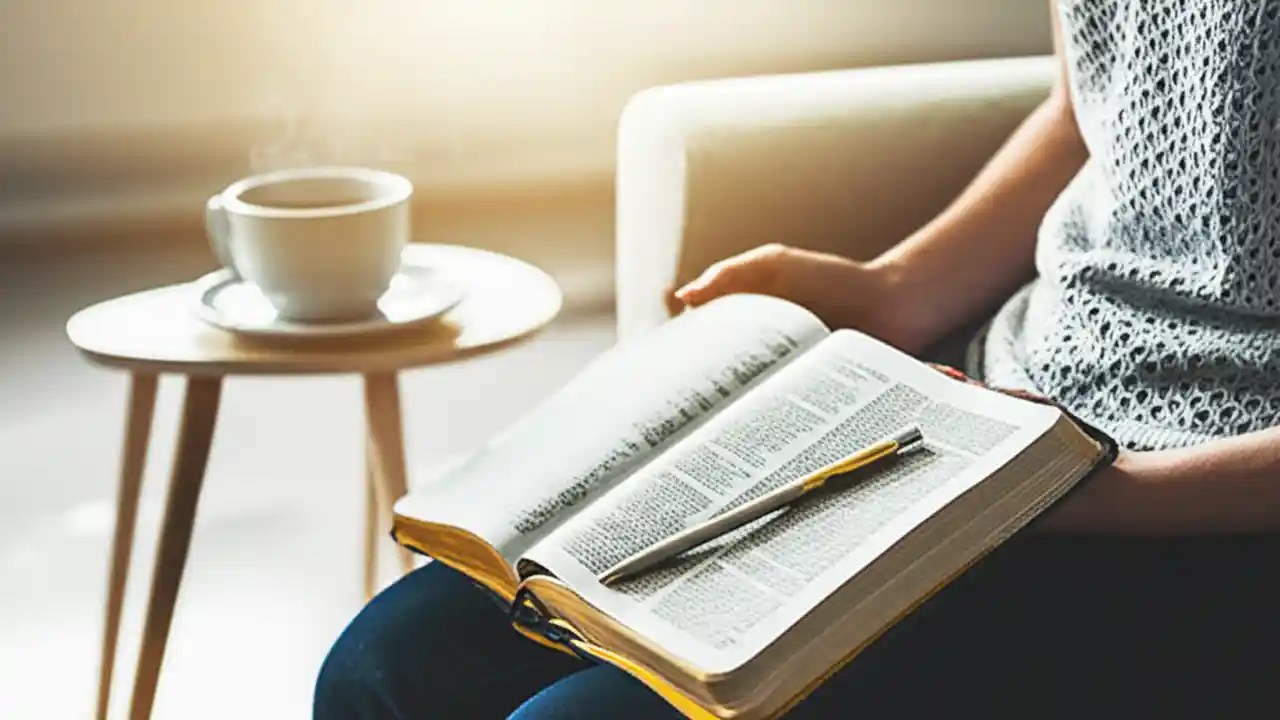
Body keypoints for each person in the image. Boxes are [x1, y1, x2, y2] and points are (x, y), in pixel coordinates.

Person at [315, 2, 1280, 717]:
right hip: (1015, 413)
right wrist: (896, 288)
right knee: (388, 672)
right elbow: (1088, 108)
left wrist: (1113, 495)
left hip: (1203, 510)